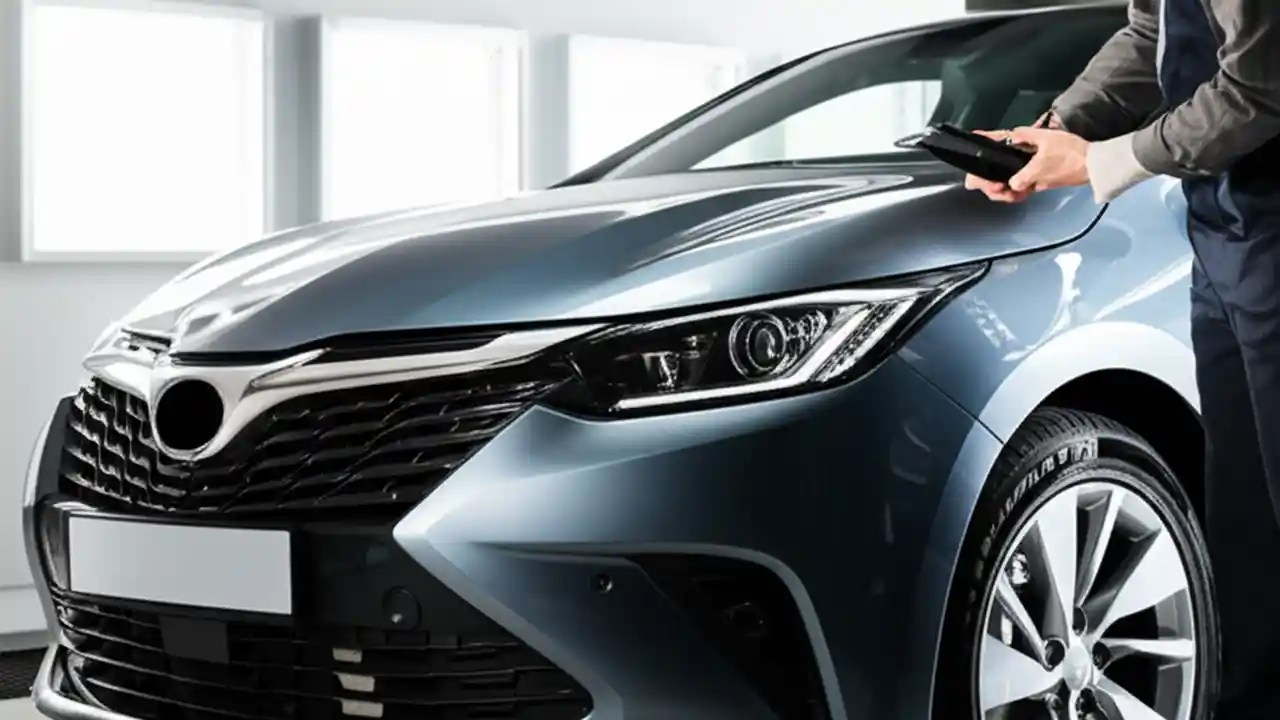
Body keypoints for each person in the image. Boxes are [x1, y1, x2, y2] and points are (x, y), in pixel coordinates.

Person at [966, 2, 1280, 717]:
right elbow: (1150, 36)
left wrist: (1100, 161)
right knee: (1247, 539)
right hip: (1219, 238)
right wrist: (1051, 132)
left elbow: (1261, 89)